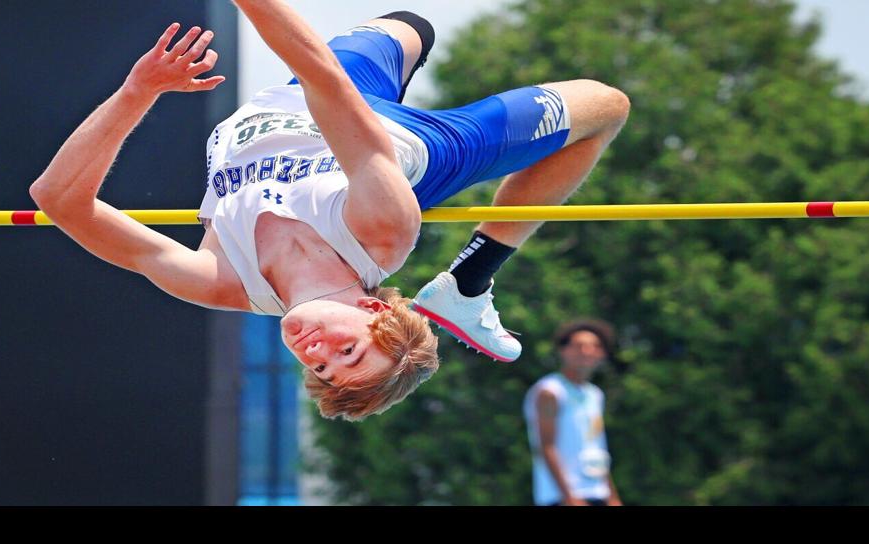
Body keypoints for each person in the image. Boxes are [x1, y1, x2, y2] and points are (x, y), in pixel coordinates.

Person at [31, 1, 631, 421]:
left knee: (407, 27)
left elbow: (58, 200)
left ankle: (466, 286)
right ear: (376, 310)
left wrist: (138, 90)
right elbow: (324, 81)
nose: (316, 354)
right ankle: (472, 279)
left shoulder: (218, 280)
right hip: (416, 144)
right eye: (348, 353)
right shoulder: (381, 231)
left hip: (301, 99)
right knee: (605, 107)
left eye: (321, 371)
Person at [523, 321, 623, 507]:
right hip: (561, 497)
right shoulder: (550, 391)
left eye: (595, 346)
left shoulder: (594, 394)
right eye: (579, 345)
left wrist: (612, 496)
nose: (587, 351)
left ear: (602, 353)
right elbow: (546, 446)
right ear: (563, 350)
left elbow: (596, 447)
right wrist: (569, 497)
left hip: (597, 493)